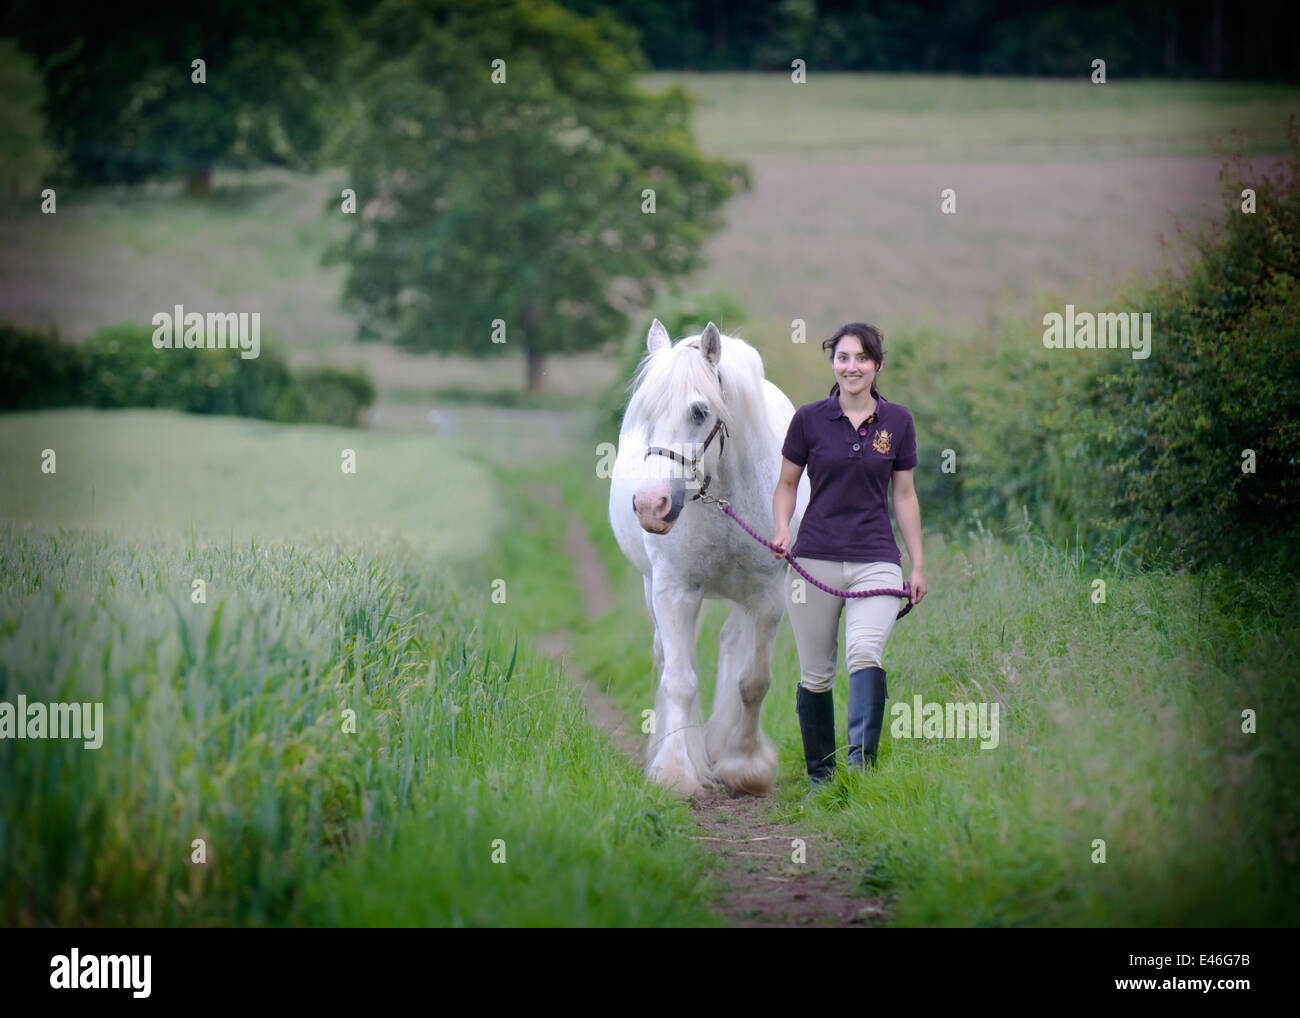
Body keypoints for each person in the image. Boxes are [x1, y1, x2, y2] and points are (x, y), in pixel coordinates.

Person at [771, 322, 927, 792]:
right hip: (814, 558)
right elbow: (786, 484)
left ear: (877, 365)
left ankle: (858, 776)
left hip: (876, 559)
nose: (851, 366)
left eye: (861, 358)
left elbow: (904, 496)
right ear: (833, 364)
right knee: (816, 674)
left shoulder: (898, 421)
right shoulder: (808, 419)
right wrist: (782, 527)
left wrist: (916, 564)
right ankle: (822, 778)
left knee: (864, 652)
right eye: (843, 357)